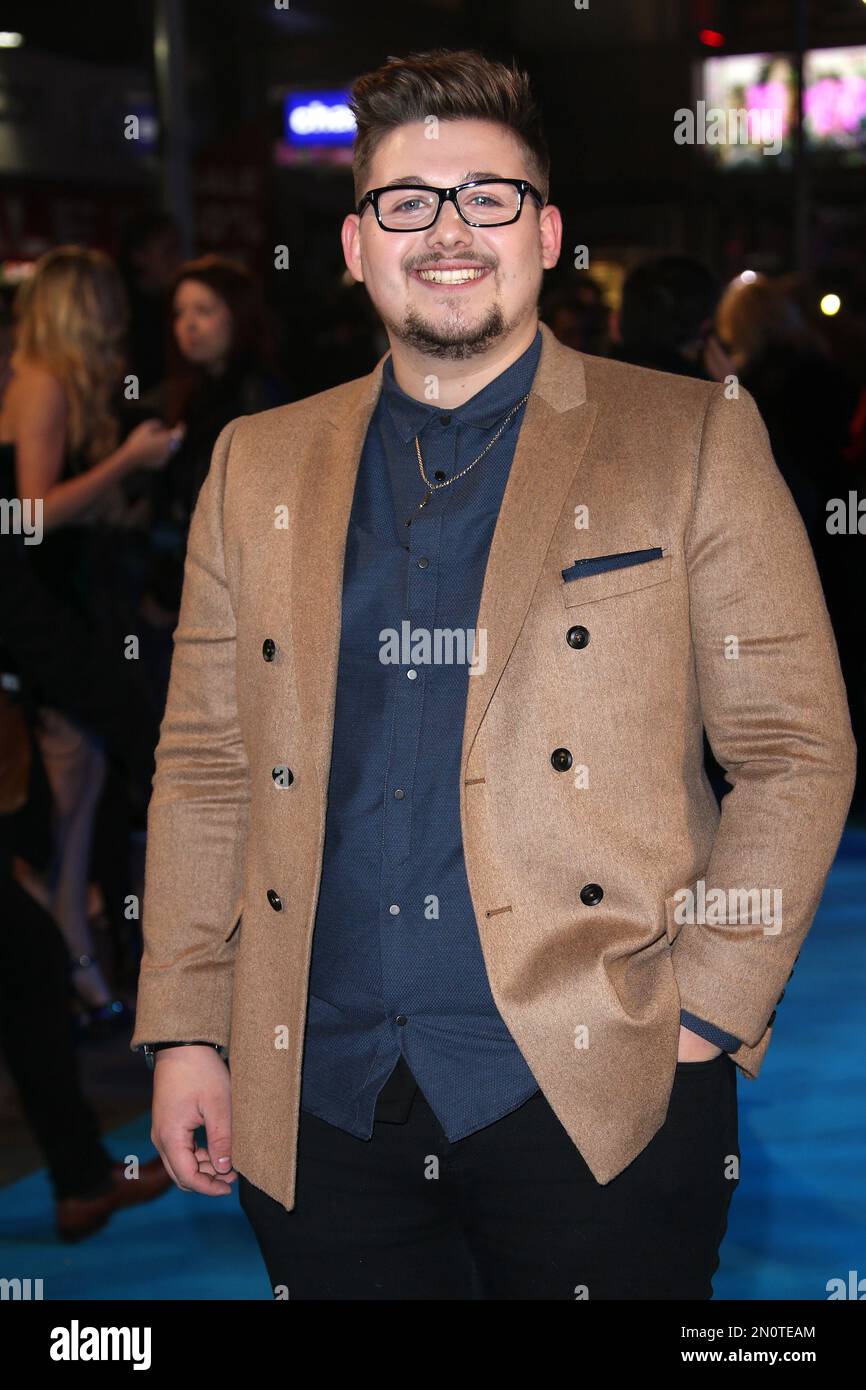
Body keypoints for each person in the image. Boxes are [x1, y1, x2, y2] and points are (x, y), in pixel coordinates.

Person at [133, 49, 856, 1300]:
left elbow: (794, 748)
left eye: (488, 196)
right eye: (407, 201)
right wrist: (190, 1025)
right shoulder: (257, 462)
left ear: (547, 232)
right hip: (315, 1096)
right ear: (355, 245)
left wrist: (702, 1010)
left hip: (599, 1085)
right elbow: (206, 764)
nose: (449, 231)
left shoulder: (688, 436)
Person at [0, 246, 183, 1025]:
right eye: (107, 300)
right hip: (42, 608)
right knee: (85, 772)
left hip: (72, 603)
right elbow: (30, 515)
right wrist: (125, 463)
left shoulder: (58, 381)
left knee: (84, 783)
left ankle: (70, 947)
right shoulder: (39, 381)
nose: (121, 317)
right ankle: (57, 936)